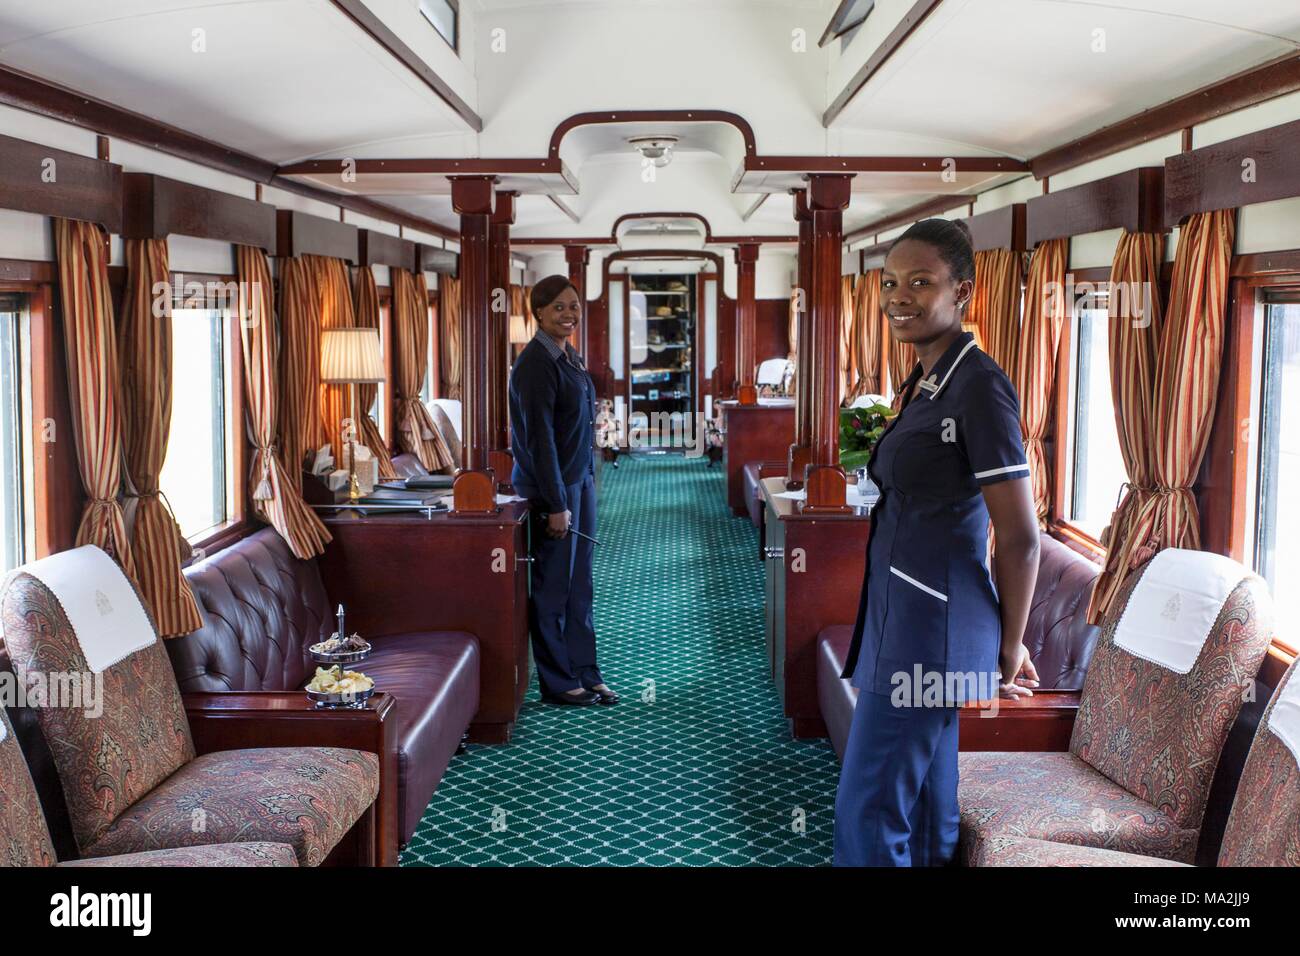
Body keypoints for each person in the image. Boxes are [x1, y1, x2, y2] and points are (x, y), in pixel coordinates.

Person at [833, 219, 1041, 866]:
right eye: (891, 282)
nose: (899, 296)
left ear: (965, 293)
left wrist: (1009, 645)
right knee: (922, 800)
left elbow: (1021, 537)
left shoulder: (979, 387)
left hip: (932, 634)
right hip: (908, 619)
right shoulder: (929, 379)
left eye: (921, 282)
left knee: (867, 805)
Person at [509, 275, 618, 706]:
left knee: (579, 584)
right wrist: (557, 503)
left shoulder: (568, 357)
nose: (569, 314)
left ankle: (586, 671)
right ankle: (558, 681)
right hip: (551, 488)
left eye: (573, 306)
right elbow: (539, 441)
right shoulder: (535, 364)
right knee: (553, 585)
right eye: (558, 307)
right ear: (537, 312)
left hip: (579, 481)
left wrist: (582, 485)